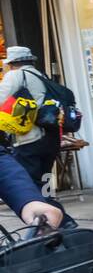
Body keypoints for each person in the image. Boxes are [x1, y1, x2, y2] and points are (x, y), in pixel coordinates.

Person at [0, 46, 60, 190]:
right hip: (51, 136)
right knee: (45, 185)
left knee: (31, 185)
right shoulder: (40, 75)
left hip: (30, 139)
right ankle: (51, 208)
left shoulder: (15, 75)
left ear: (11, 63)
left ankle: (52, 212)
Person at [0, 145, 66, 230]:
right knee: (44, 181)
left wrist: (29, 200)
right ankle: (62, 219)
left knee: (40, 183)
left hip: (30, 148)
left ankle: (62, 220)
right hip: (44, 147)